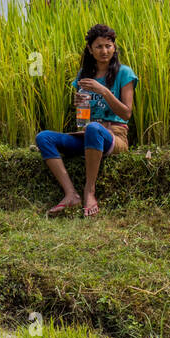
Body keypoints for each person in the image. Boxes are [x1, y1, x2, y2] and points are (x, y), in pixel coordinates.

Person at [35, 23, 138, 217]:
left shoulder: (124, 73)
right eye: (98, 46)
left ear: (114, 47)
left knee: (93, 129)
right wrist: (80, 104)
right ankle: (70, 194)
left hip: (115, 136)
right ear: (90, 50)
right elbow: (83, 115)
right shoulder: (84, 75)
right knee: (44, 137)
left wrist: (103, 91)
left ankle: (89, 192)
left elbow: (126, 114)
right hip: (88, 134)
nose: (104, 51)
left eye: (108, 45)